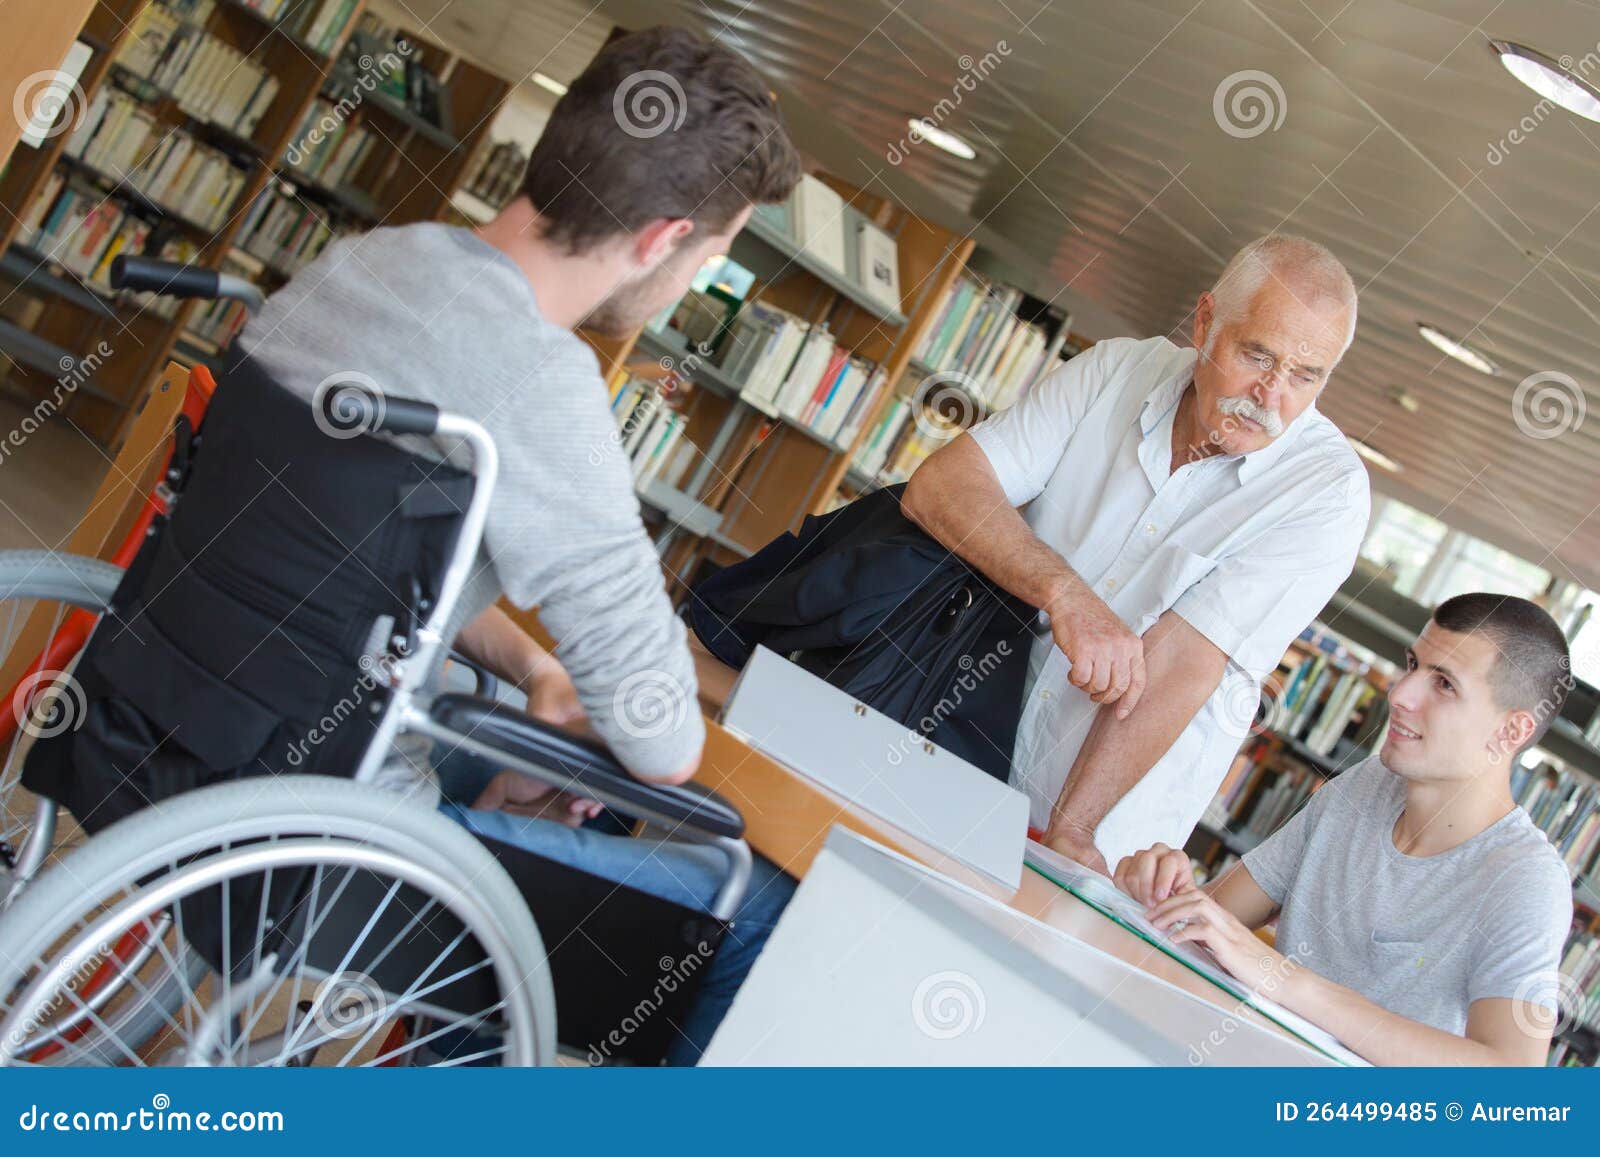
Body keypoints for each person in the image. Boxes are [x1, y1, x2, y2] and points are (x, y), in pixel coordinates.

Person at [220, 26, 800, 1063]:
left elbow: (354, 561)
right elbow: (662, 736)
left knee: (503, 720)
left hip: (192, 713)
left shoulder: (367, 260)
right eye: (711, 258)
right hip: (342, 825)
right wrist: (570, 732)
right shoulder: (543, 387)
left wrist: (533, 665)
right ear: (666, 239)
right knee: (750, 900)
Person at [902, 234, 1370, 872]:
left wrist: (1071, 832)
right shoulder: (1114, 372)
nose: (1270, 395)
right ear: (1206, 321)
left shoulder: (1327, 495)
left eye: (1305, 376)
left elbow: (1182, 662)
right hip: (950, 743)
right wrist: (1065, 592)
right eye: (1257, 354)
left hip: (1099, 832)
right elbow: (942, 487)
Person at [1114, 594, 1576, 1065]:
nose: (1400, 694)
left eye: (1444, 684)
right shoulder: (1368, 784)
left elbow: (1510, 1074)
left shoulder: (1527, 881)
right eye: (1414, 664)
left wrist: (1285, 979)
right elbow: (1210, 921)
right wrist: (1162, 891)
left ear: (1512, 732)